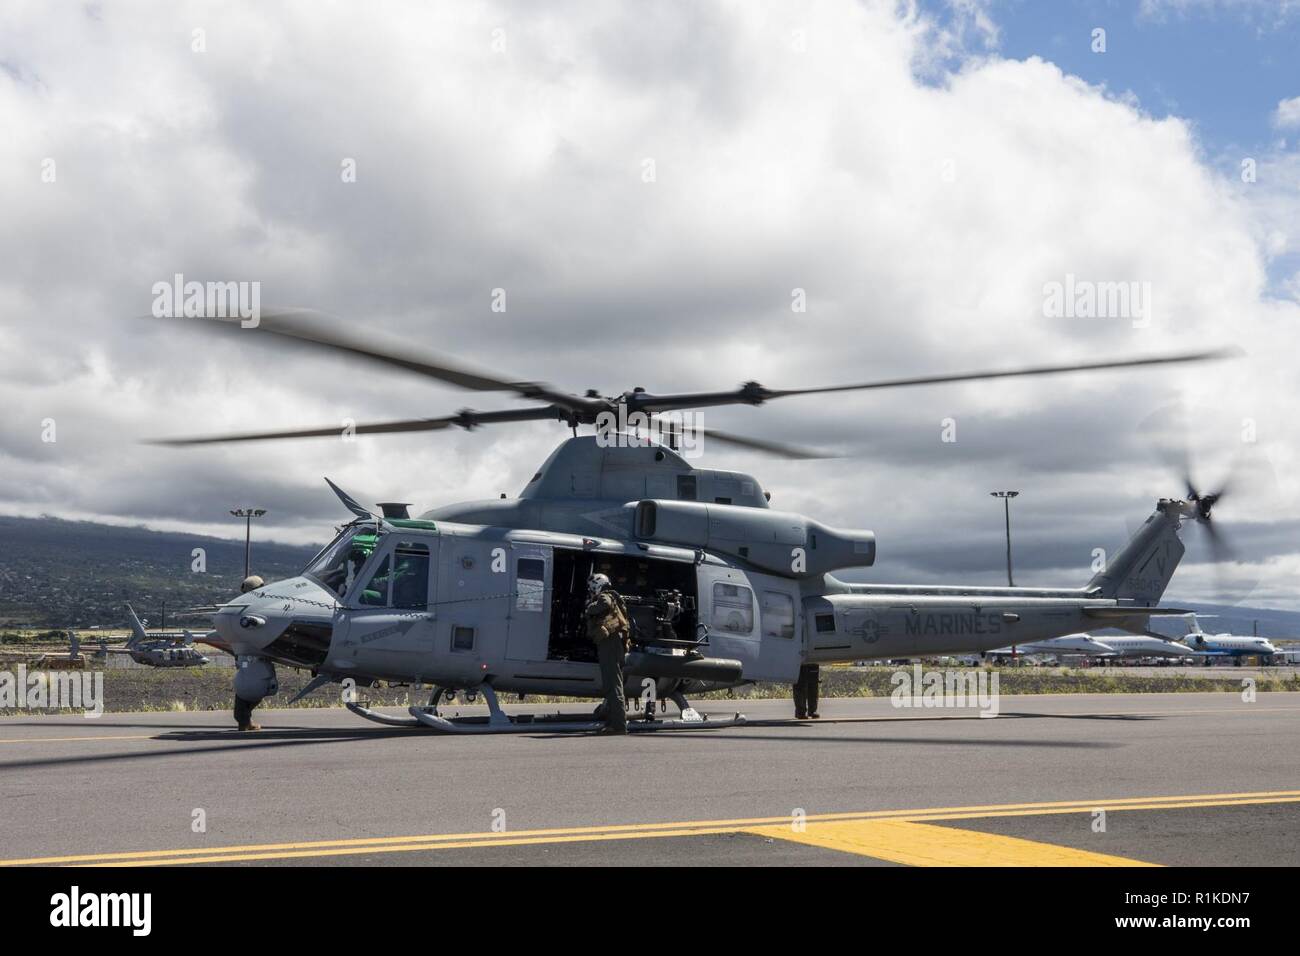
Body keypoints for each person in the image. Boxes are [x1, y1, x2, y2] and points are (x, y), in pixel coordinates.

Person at [584, 573, 631, 735]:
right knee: (612, 685)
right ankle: (613, 722)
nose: (591, 591)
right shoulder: (613, 597)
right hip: (613, 644)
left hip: (610, 644)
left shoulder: (606, 596)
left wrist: (589, 608)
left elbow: (604, 603)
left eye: (591, 588)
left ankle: (619, 726)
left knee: (613, 685)